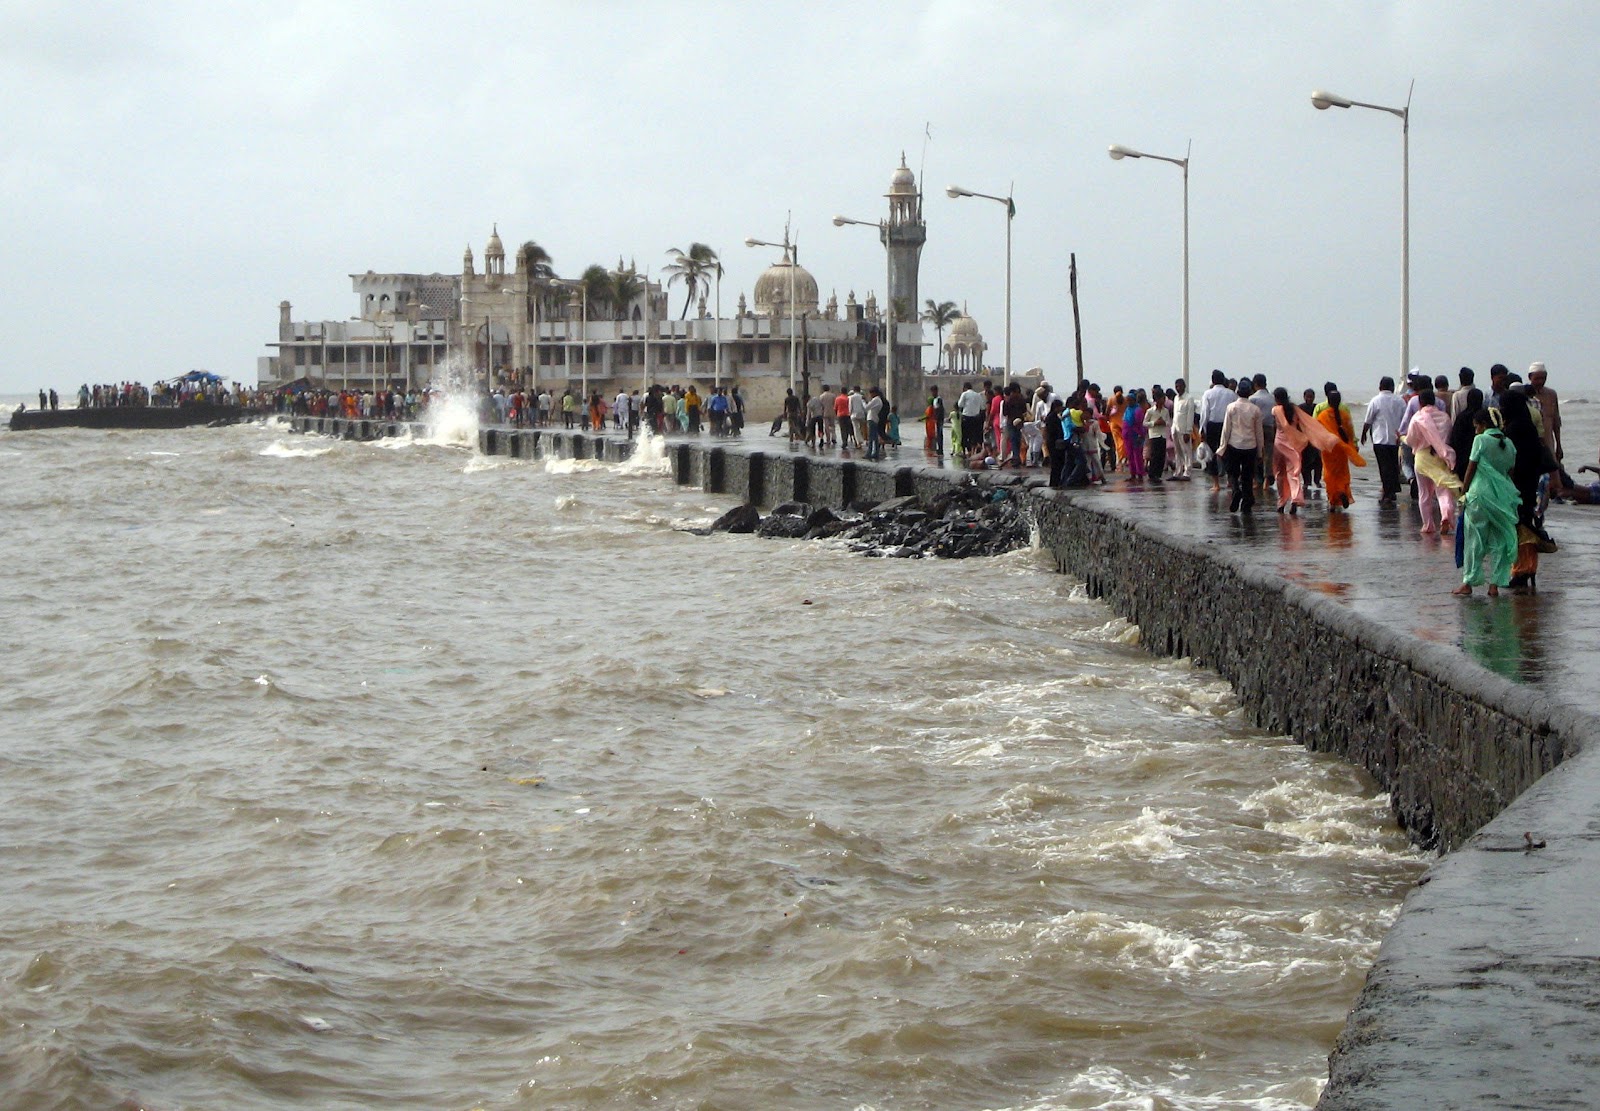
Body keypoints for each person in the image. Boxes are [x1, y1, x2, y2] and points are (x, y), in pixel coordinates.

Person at [1454, 408, 1520, 597]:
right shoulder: (1509, 444)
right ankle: (1495, 585)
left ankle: (1468, 583)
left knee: (1475, 539)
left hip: (1479, 495)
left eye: (1476, 427)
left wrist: (1463, 491)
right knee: (1500, 541)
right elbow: (1510, 473)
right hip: (1502, 498)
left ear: (1483, 425)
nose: (1475, 431)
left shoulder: (1480, 440)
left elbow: (1471, 467)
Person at [1403, 386, 1463, 536]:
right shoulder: (1445, 417)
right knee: (1443, 490)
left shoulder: (1417, 418)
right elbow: (1448, 438)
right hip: (1440, 457)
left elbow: (1411, 440)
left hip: (1422, 458)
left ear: (1420, 403)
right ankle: (1446, 516)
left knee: (1424, 494)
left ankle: (1428, 525)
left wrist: (1401, 438)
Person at [1218, 380, 1264, 512]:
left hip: (1234, 444)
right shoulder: (1255, 410)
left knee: (1232, 472)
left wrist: (1222, 446)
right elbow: (1259, 433)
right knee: (1247, 475)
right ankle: (1247, 501)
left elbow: (1226, 429)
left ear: (1238, 392)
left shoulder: (1231, 407)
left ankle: (1236, 490)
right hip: (1250, 446)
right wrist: (1260, 452)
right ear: (1250, 393)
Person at [1316, 388, 1365, 510]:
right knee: (1342, 473)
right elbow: (1350, 433)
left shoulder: (1323, 416)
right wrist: (1353, 446)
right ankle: (1342, 490)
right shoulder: (1345, 415)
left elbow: (1318, 433)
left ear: (1328, 401)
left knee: (1329, 475)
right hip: (1342, 449)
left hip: (1328, 450)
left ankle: (1333, 500)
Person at [1360, 376, 1406, 504]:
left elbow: (1368, 420)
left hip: (1380, 439)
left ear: (1380, 387)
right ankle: (1392, 491)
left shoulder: (1375, 400)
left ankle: (1387, 493)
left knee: (1384, 467)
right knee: (1393, 465)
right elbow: (1405, 419)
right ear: (1392, 387)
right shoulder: (1400, 401)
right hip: (1395, 438)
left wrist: (1363, 434)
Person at [1199, 370, 1236, 494]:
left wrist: (1202, 429)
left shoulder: (1208, 394)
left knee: (1212, 455)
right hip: (1227, 425)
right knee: (1227, 453)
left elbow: (1205, 413)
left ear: (1213, 380)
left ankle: (1216, 484)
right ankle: (1230, 481)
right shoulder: (1231, 394)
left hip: (1212, 426)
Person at [1170, 378, 1196, 480]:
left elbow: (1190, 415)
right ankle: (1178, 471)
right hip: (1175, 428)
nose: (1178, 388)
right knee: (1177, 451)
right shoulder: (1176, 398)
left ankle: (1187, 472)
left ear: (1184, 386)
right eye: (1176, 386)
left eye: (1180, 386)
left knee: (1187, 451)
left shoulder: (1189, 398)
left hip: (1184, 429)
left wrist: (1188, 431)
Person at [1144, 388, 1170, 484]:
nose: (1163, 401)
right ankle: (1152, 473)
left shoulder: (1165, 411)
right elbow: (1144, 423)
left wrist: (1164, 422)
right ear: (1157, 400)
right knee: (1154, 455)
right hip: (1154, 435)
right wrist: (1154, 423)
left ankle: (1158, 474)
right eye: (1162, 399)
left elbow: (1168, 422)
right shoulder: (1150, 411)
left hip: (1162, 434)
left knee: (1161, 455)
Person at [1298, 388, 1322, 491]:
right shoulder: (1300, 408)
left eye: (1311, 397)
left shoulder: (1317, 408)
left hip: (1315, 438)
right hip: (1304, 438)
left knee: (1318, 461)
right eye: (1308, 397)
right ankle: (1306, 482)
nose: (1309, 399)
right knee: (1304, 461)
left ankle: (1317, 481)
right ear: (1304, 397)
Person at [956, 381, 984, 460]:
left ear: (965, 388)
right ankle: (972, 451)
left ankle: (965, 452)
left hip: (966, 417)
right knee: (973, 435)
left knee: (965, 435)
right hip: (976, 418)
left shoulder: (964, 394)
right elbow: (982, 407)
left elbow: (960, 404)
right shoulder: (978, 395)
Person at [864, 387, 885, 460]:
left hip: (872, 419)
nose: (870, 395)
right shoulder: (879, 400)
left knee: (871, 437)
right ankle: (876, 452)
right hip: (875, 419)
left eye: (871, 393)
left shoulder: (876, 400)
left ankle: (869, 453)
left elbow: (866, 407)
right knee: (875, 437)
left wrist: (864, 402)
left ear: (874, 393)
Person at [925, 386, 945, 456]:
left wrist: (937, 419)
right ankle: (939, 449)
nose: (932, 393)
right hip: (936, 419)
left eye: (933, 391)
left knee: (939, 435)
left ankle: (940, 450)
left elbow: (940, 410)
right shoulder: (935, 400)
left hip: (938, 420)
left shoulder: (938, 400)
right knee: (937, 435)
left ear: (936, 391)